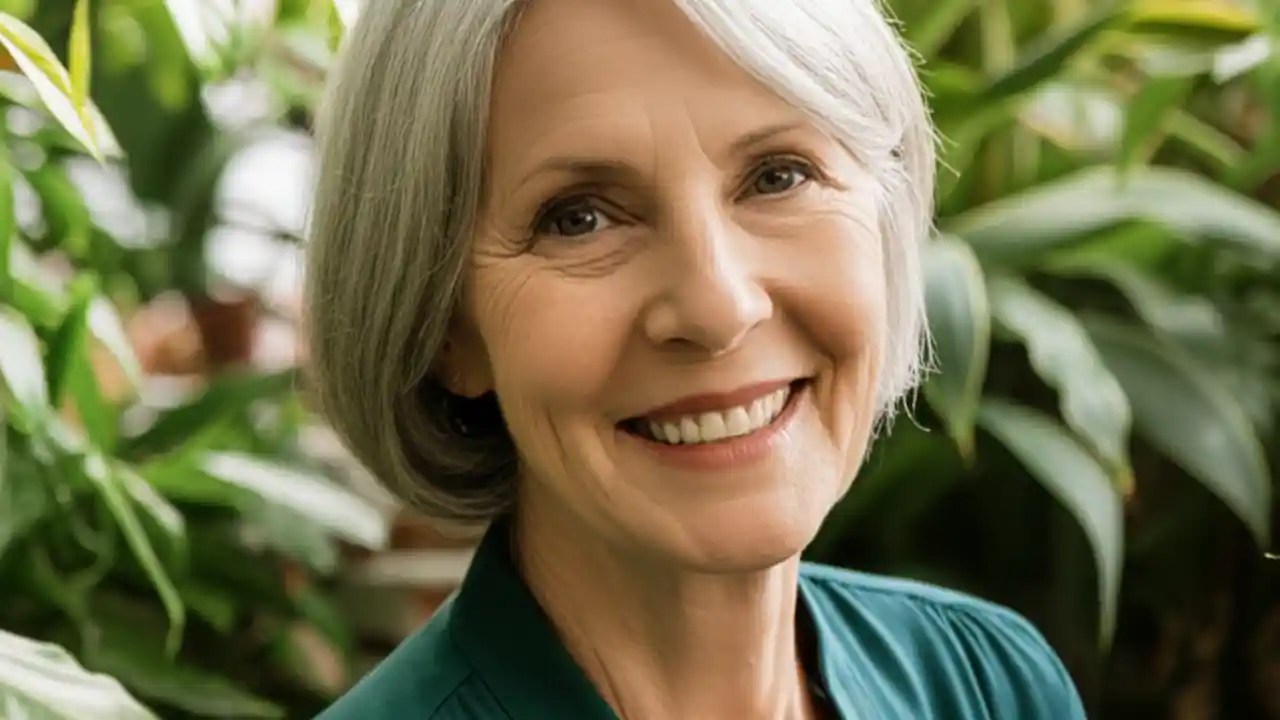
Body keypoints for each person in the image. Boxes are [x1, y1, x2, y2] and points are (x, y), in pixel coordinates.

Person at [304, 0, 1090, 717]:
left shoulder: (990, 686)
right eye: (578, 218)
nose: (719, 308)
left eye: (779, 176)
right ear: (443, 329)